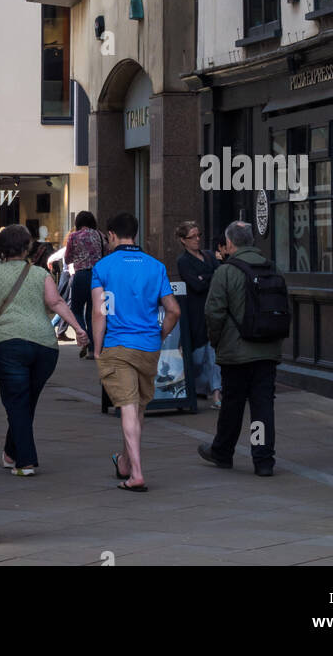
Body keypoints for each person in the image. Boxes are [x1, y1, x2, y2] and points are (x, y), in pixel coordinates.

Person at [0, 224, 87, 476]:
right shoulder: (40, 275)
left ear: (0, 248)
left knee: (17, 402)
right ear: (28, 247)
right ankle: (10, 452)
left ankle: (25, 462)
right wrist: (77, 328)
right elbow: (56, 302)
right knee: (25, 402)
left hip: (9, 346)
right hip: (45, 348)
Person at [92, 211, 180, 492]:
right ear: (136, 235)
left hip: (118, 345)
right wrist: (160, 334)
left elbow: (99, 312)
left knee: (129, 407)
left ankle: (137, 474)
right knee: (138, 407)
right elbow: (173, 310)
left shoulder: (103, 267)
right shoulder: (156, 266)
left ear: (112, 236)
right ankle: (125, 463)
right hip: (149, 347)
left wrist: (96, 348)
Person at [198, 221, 281, 477]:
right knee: (262, 406)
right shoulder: (272, 267)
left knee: (232, 405)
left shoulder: (226, 271)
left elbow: (214, 312)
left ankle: (223, 452)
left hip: (236, 352)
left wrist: (215, 341)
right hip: (267, 348)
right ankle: (263, 459)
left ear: (230, 243)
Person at [175, 220, 222, 408]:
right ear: (182, 240)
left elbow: (219, 275)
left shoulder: (209, 256)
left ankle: (216, 393)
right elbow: (197, 285)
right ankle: (193, 388)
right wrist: (210, 276)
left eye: (198, 235)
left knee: (213, 353)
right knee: (197, 355)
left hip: (214, 310)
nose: (197, 239)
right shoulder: (183, 261)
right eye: (192, 237)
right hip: (195, 313)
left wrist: (206, 277)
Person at [64, 211, 106, 358]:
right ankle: (92, 350)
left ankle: (84, 337)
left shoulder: (73, 236)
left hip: (81, 275)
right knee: (92, 313)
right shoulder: (100, 235)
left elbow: (67, 258)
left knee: (76, 309)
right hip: (97, 277)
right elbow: (106, 253)